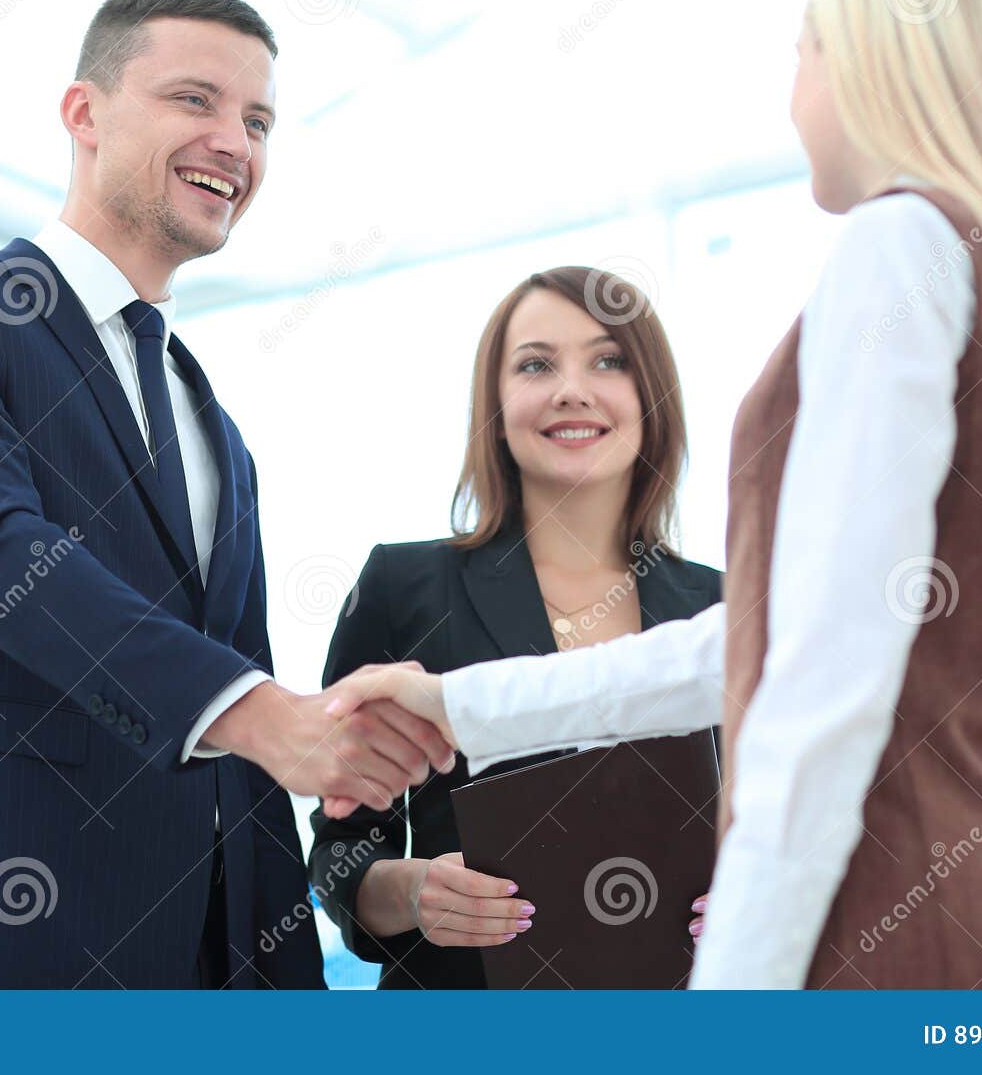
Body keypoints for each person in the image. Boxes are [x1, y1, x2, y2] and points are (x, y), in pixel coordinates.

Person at [323, 0, 982, 990]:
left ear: (870, 60)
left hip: (882, 936)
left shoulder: (898, 244)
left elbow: (819, 695)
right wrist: (461, 705)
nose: (795, 96)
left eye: (803, 53)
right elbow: (769, 642)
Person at [0, 0, 449, 989]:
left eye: (258, 121)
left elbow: (245, 732)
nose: (235, 144)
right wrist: (264, 716)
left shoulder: (213, 425)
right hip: (27, 936)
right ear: (83, 112)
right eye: (195, 99)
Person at [309, 267, 722, 987]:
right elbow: (340, 850)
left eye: (609, 360)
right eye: (536, 365)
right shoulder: (403, 587)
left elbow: (800, 826)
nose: (571, 389)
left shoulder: (727, 605)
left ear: (652, 396)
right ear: (495, 407)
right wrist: (411, 891)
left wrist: (762, 899)